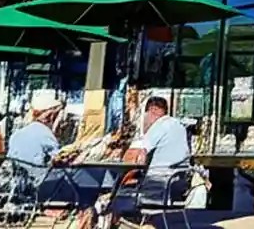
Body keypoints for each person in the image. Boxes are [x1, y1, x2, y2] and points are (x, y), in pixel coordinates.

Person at [80, 96, 191, 229]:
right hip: (176, 184)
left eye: (144, 117)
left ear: (152, 110)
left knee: (116, 193)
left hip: (157, 187)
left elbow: (137, 157)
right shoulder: (179, 126)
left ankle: (109, 221)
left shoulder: (160, 124)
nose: (144, 122)